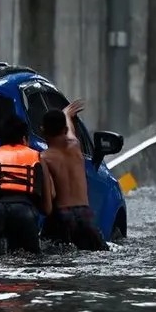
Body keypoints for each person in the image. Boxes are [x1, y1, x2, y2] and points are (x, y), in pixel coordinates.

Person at [0, 114, 54, 256]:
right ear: (24, 139)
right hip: (25, 213)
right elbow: (47, 208)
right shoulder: (38, 158)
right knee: (28, 263)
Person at [39, 100, 108, 251]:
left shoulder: (44, 158)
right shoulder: (75, 146)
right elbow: (69, 129)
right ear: (64, 130)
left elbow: (50, 195)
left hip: (61, 216)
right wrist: (67, 114)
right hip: (85, 215)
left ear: (42, 131)